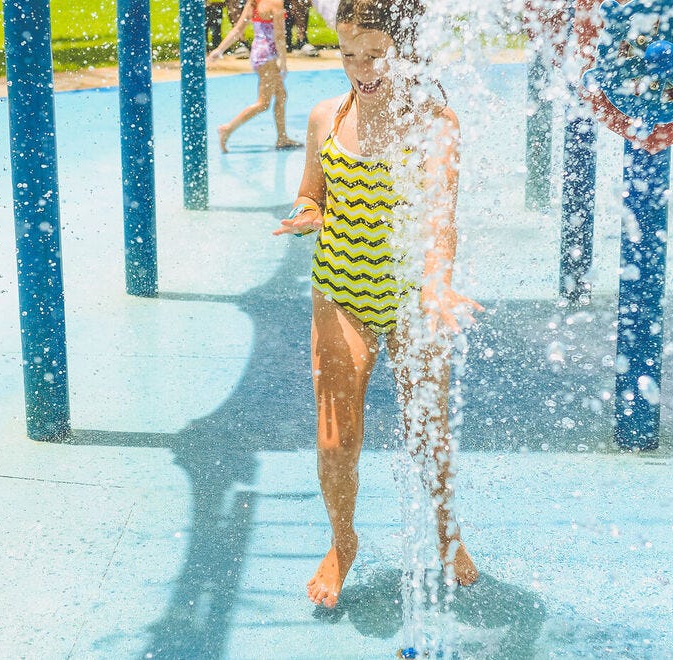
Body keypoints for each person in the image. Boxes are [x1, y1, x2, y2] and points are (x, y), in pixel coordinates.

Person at [273, 0, 482, 609]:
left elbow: (442, 217)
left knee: (430, 432)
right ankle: (343, 542)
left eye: (376, 54)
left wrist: (438, 283)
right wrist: (307, 216)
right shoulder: (324, 117)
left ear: (407, 52)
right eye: (349, 53)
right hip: (341, 291)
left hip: (415, 295)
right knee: (337, 439)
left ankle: (447, 534)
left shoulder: (436, 124)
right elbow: (313, 192)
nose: (360, 67)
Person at [206, 0, 303, 152]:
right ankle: (227, 129)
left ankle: (282, 138)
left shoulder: (254, 2)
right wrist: (283, 62)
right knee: (263, 103)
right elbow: (279, 36)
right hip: (268, 57)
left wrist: (218, 51)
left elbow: (237, 30)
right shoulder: (275, 3)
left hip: (258, 53)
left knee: (281, 95)